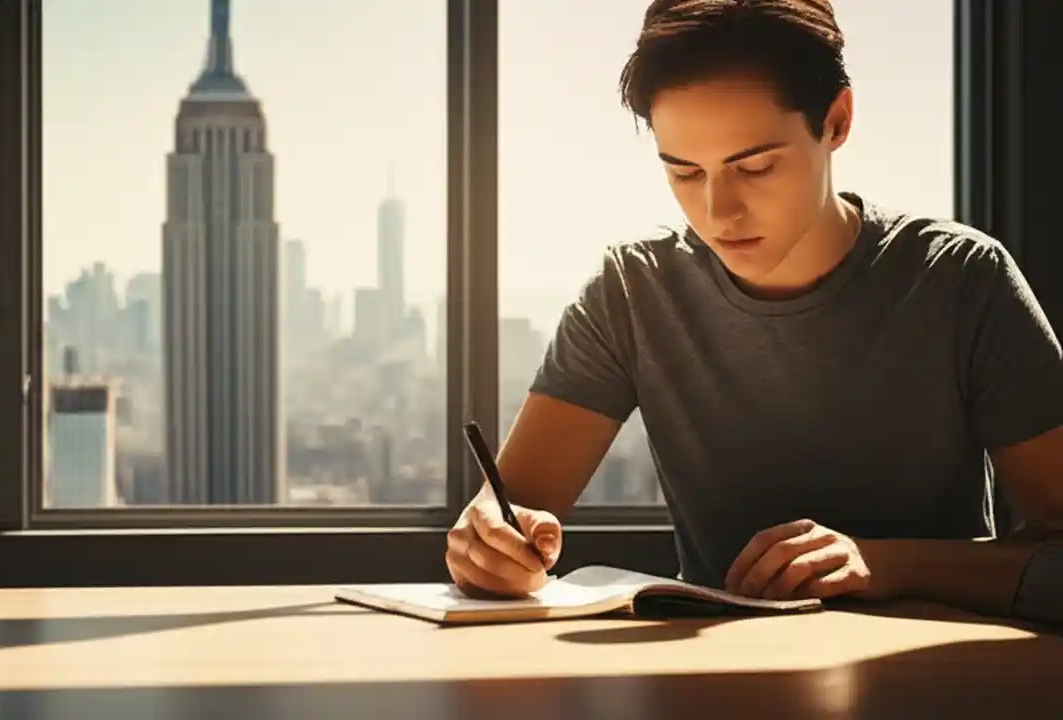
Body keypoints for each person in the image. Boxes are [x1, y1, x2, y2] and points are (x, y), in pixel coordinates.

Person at [444, 0, 1063, 624]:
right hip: (716, 669)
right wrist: (488, 545)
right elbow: (507, 514)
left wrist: (885, 565)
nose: (719, 213)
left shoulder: (959, 279)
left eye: (757, 167)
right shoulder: (632, 290)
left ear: (836, 122)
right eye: (686, 173)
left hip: (935, 668)